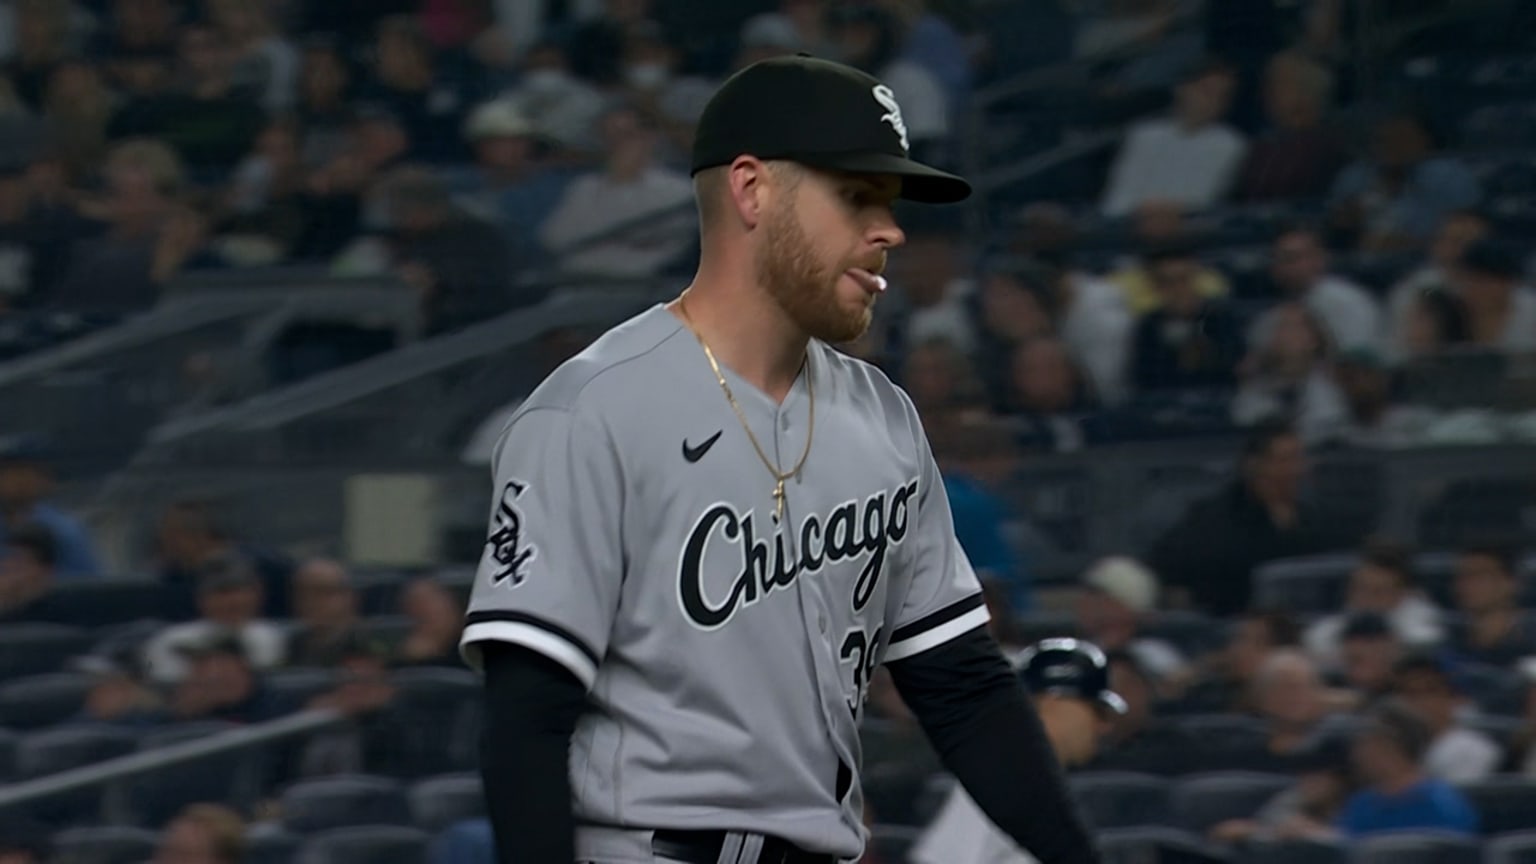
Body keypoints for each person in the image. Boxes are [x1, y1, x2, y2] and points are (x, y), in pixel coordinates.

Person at [462, 55, 1098, 864]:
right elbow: (527, 715)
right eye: (856, 195)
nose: (891, 231)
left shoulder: (884, 417)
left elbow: (964, 687)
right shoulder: (593, 409)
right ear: (753, 189)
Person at [910, 639, 1126, 864]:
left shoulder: (1032, 777)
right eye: (1096, 711)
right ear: (1053, 702)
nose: (1104, 726)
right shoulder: (1002, 776)